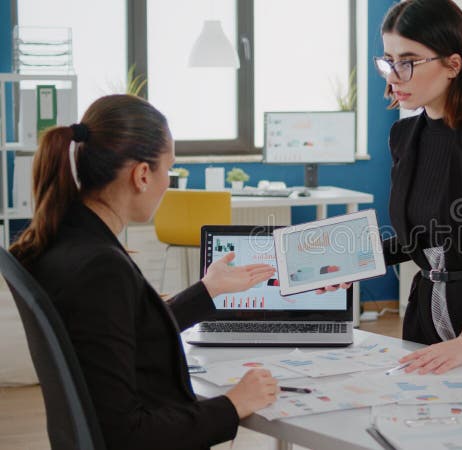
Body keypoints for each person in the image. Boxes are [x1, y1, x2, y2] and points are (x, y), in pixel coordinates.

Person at [10, 95, 279, 450]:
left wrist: (208, 290)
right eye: (168, 169)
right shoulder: (101, 268)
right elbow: (126, 434)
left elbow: (122, 333)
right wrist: (232, 405)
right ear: (141, 175)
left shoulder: (64, 238)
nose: (168, 181)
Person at [326, 0, 462, 374]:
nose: (394, 76)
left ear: (453, 65)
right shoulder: (404, 136)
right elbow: (418, 240)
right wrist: (345, 265)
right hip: (426, 314)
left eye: (407, 61)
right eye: (388, 61)